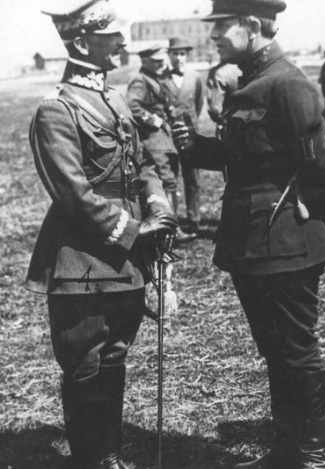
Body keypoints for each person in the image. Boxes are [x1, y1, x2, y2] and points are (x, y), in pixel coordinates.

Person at [171, 0, 325, 467]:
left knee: (296, 349)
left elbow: (324, 170)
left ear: (251, 25)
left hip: (287, 240)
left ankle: (316, 455)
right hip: (250, 240)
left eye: (222, 26)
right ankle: (287, 449)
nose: (214, 36)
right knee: (274, 348)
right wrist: (196, 148)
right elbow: (249, 159)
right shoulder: (249, 82)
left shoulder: (288, 83)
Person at [26, 0, 177, 467]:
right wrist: (135, 230)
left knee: (115, 356)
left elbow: (141, 166)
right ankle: (93, 461)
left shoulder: (115, 100)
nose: (121, 42)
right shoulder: (56, 110)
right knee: (86, 363)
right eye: (111, 35)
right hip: (82, 261)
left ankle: (109, 457)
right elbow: (73, 193)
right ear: (80, 42)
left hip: (126, 257)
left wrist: (158, 206)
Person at [127, 46, 195, 243]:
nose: (160, 64)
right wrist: (152, 120)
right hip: (153, 140)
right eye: (155, 61)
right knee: (165, 182)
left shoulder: (155, 78)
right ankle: (169, 230)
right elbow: (132, 105)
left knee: (170, 182)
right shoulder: (141, 80)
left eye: (161, 61)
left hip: (163, 139)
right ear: (144, 61)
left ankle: (171, 227)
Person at [162, 37, 205, 234]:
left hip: (190, 133)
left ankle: (194, 219)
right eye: (175, 54)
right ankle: (172, 222)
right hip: (169, 134)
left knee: (193, 178)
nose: (179, 58)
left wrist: (190, 122)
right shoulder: (161, 77)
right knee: (170, 178)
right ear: (169, 55)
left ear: (186, 55)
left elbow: (198, 103)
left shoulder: (195, 76)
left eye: (182, 54)